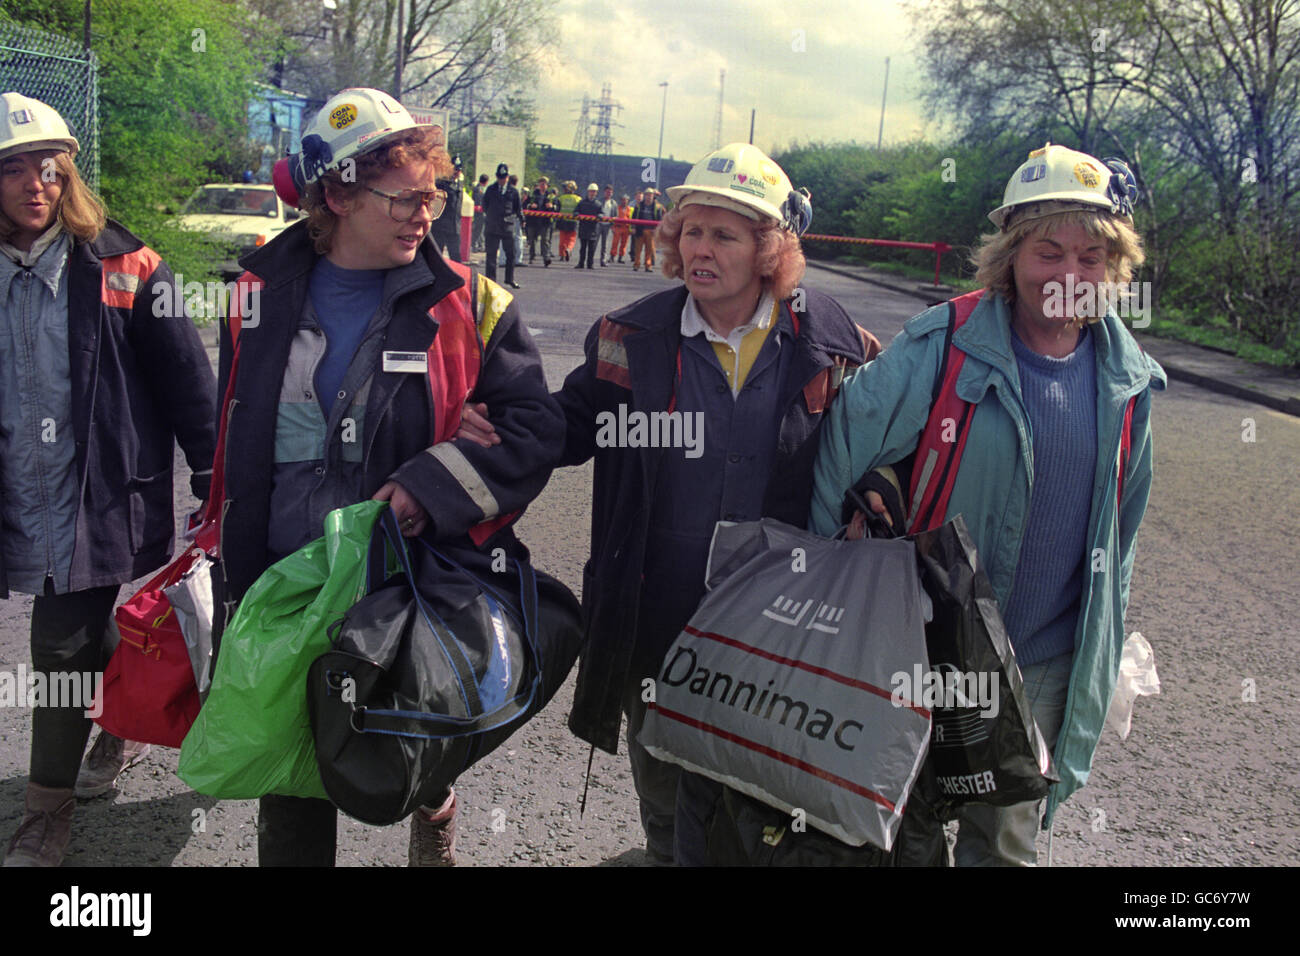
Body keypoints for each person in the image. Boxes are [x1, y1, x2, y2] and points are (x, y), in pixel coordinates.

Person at [459, 143, 881, 864]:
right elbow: (571, 423)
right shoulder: (632, 335)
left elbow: (877, 451)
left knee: (763, 802)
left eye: (724, 234)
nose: (700, 250)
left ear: (769, 248)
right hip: (657, 617)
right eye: (690, 230)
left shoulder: (830, 341)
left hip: (781, 629)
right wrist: (489, 420)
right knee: (663, 789)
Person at [227, 88, 566, 866]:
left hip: (405, 588)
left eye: (435, 193)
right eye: (408, 197)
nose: (429, 212)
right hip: (287, 583)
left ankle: (432, 801)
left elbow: (533, 429)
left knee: (406, 745)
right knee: (293, 775)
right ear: (338, 196)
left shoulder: (473, 305)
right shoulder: (252, 297)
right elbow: (233, 437)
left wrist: (432, 480)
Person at [811, 143, 1165, 866]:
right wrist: (819, 587)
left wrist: (1101, 652)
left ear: (1115, 268)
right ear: (1011, 256)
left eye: (1091, 257)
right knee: (900, 827)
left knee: (1003, 843)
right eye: (1048, 252)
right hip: (921, 644)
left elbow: (1120, 537)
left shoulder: (1128, 381)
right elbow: (844, 442)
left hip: (1041, 660)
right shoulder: (945, 343)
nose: (1069, 274)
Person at [0, 93, 216, 866]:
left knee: (60, 643)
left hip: (96, 497)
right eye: (14, 170)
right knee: (83, 641)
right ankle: (119, 718)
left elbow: (191, 383)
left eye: (50, 169)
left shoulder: (132, 266)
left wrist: (213, 480)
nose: (36, 185)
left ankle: (45, 811)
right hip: (16, 500)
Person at [481, 162, 522, 289]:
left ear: (507, 177)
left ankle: (509, 279)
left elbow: (517, 208)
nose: (502, 180)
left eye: (504, 178)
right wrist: (492, 215)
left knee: (511, 254)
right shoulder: (491, 189)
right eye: (499, 177)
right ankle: (490, 281)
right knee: (491, 255)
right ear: (496, 177)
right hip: (492, 226)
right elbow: (485, 205)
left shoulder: (513, 191)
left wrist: (521, 219)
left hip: (507, 226)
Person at [430, 152, 463, 262]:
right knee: (437, 256)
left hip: (454, 227)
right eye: (454, 170)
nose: (456, 172)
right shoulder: (441, 184)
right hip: (441, 226)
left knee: (456, 257)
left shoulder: (459, 184)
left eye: (458, 170)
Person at [631, 188, 663, 271]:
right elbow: (634, 217)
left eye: (650, 195)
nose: (649, 197)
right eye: (647, 195)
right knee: (638, 249)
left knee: (649, 250)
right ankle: (636, 264)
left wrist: (656, 229)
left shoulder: (657, 206)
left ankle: (648, 265)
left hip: (650, 231)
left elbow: (659, 219)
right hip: (640, 230)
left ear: (653, 196)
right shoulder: (638, 205)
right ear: (644, 196)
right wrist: (633, 227)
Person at [525, 175, 552, 266]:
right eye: (541, 184)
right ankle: (531, 256)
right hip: (533, 221)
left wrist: (552, 207)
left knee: (545, 240)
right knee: (532, 240)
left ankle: (546, 258)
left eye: (544, 184)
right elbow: (525, 205)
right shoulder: (533, 195)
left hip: (545, 222)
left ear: (547, 185)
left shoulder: (551, 196)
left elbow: (557, 207)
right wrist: (530, 206)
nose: (542, 185)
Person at [575, 182, 602, 270]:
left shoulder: (598, 204)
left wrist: (600, 215)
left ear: (596, 193)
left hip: (593, 229)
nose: (592, 193)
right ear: (588, 192)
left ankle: (590, 264)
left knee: (591, 249)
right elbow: (576, 210)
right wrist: (576, 213)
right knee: (582, 248)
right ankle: (581, 263)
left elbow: (601, 213)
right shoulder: (582, 202)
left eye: (594, 191)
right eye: (591, 191)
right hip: (583, 228)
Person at [556, 180, 580, 261]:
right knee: (571, 239)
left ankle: (562, 255)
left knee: (562, 239)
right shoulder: (578, 199)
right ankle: (569, 249)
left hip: (563, 221)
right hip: (573, 222)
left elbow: (557, 210)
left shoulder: (561, 198)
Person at [598, 184, 617, 265]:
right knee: (594, 242)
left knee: (605, 244)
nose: (609, 193)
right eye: (607, 192)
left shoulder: (614, 203)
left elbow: (615, 215)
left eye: (610, 192)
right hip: (598, 224)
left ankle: (603, 260)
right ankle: (590, 259)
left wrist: (613, 226)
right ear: (604, 192)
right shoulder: (599, 201)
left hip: (608, 225)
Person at [471, 173, 488, 252]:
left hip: (481, 213)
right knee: (477, 229)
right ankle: (473, 245)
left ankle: (480, 245)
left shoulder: (479, 188)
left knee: (480, 229)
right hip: (479, 213)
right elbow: (478, 202)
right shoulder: (478, 189)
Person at [612, 193, 631, 263]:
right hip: (618, 227)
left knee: (624, 243)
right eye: (623, 200)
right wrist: (613, 227)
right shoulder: (617, 208)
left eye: (626, 200)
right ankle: (612, 256)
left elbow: (631, 218)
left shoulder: (630, 209)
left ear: (628, 201)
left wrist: (630, 229)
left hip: (626, 227)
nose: (624, 201)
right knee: (615, 243)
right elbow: (613, 217)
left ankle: (621, 257)